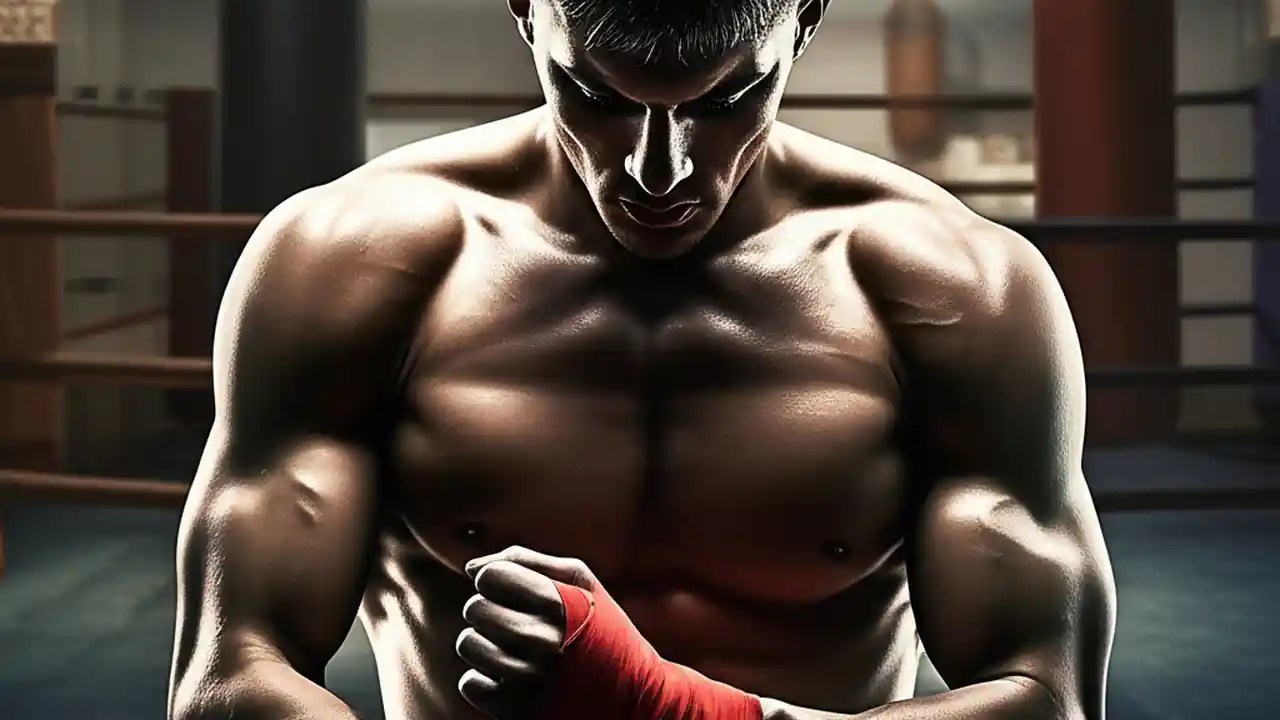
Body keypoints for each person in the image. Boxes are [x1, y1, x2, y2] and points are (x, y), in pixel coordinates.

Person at [167, 0, 1117, 718]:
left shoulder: (954, 288)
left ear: (810, 16)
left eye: (730, 96)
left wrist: (672, 707)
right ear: (523, 10)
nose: (657, 170)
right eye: (599, 94)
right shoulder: (351, 261)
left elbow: (1044, 696)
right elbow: (230, 675)